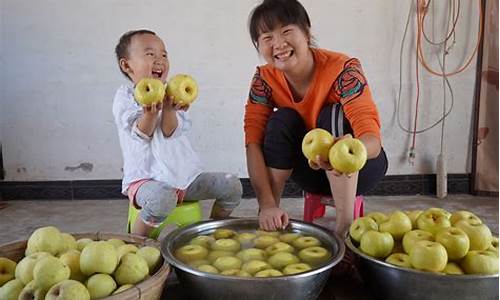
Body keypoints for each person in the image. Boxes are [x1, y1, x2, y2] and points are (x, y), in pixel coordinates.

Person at [244, 0, 388, 235]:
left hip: (362, 168)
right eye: (267, 37)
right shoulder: (264, 79)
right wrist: (266, 205)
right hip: (311, 173)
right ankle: (272, 220)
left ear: (306, 32)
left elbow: (372, 138)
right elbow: (253, 144)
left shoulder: (343, 69)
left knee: (333, 114)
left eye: (286, 31)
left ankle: (345, 228)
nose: (278, 44)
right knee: (282, 120)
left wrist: (349, 148)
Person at [113, 29, 242, 238]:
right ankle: (136, 244)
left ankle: (216, 227)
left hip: (184, 178)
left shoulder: (172, 93)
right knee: (162, 199)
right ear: (127, 65)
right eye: (150, 54)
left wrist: (169, 109)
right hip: (146, 181)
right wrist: (149, 114)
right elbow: (140, 134)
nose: (160, 60)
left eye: (164, 55)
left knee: (232, 185)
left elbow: (170, 132)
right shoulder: (125, 97)